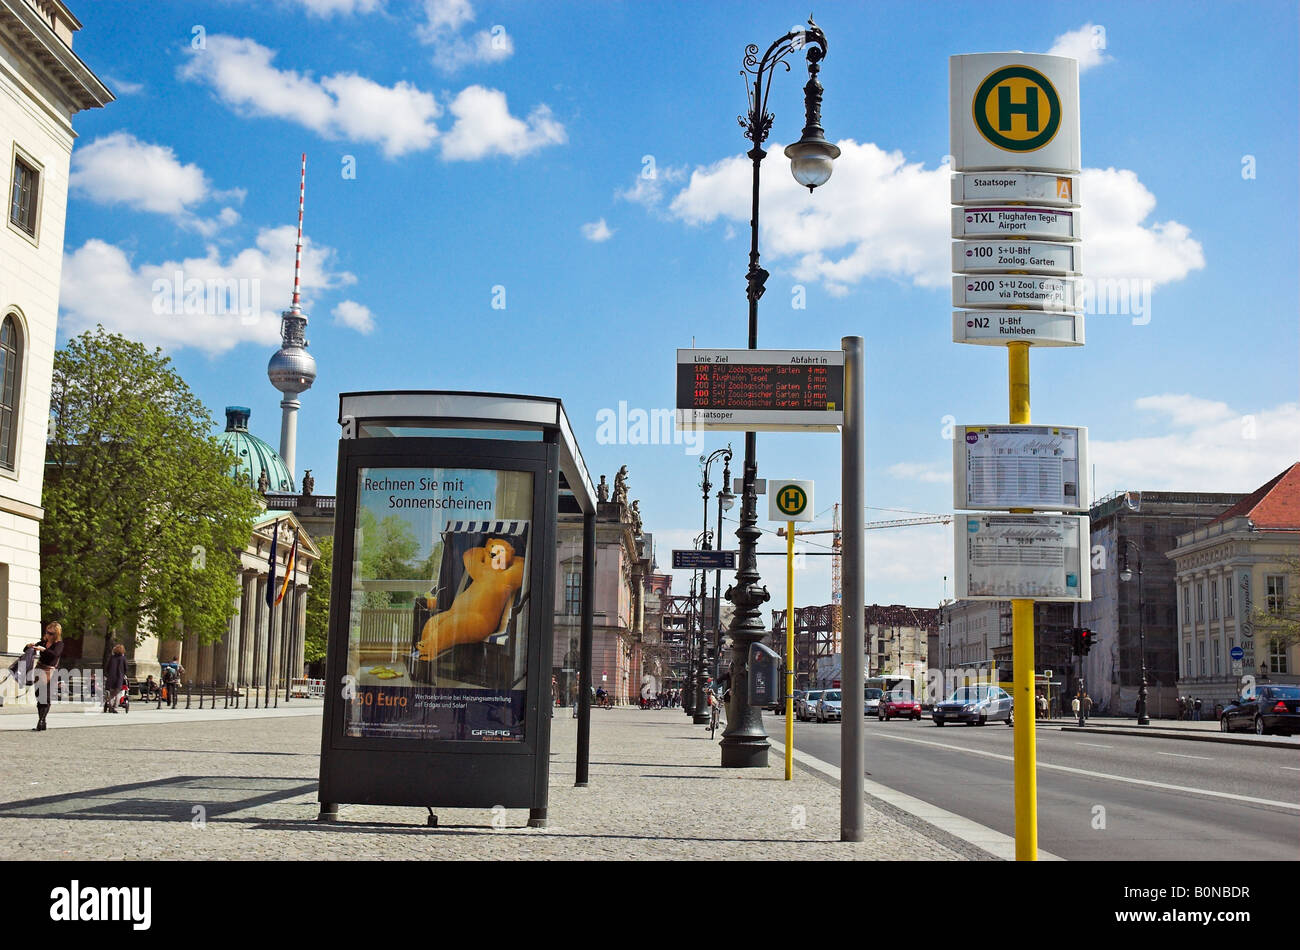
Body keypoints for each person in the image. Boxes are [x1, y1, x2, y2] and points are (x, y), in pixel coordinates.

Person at [31, 622, 64, 732]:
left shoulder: (59, 644)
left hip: (51, 672)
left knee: (47, 697)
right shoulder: (43, 642)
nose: (48, 634)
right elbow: (27, 650)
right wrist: (29, 646)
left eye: (50, 633)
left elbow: (55, 654)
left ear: (56, 634)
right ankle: (42, 721)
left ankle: (41, 721)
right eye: (47, 632)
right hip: (39, 670)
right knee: (39, 696)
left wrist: (43, 649)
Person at [103, 643, 127, 714]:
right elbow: (126, 668)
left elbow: (107, 668)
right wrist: (123, 674)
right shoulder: (123, 658)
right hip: (119, 679)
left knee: (111, 694)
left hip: (111, 678)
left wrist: (108, 674)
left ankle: (110, 707)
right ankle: (114, 707)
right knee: (118, 693)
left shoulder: (111, 658)